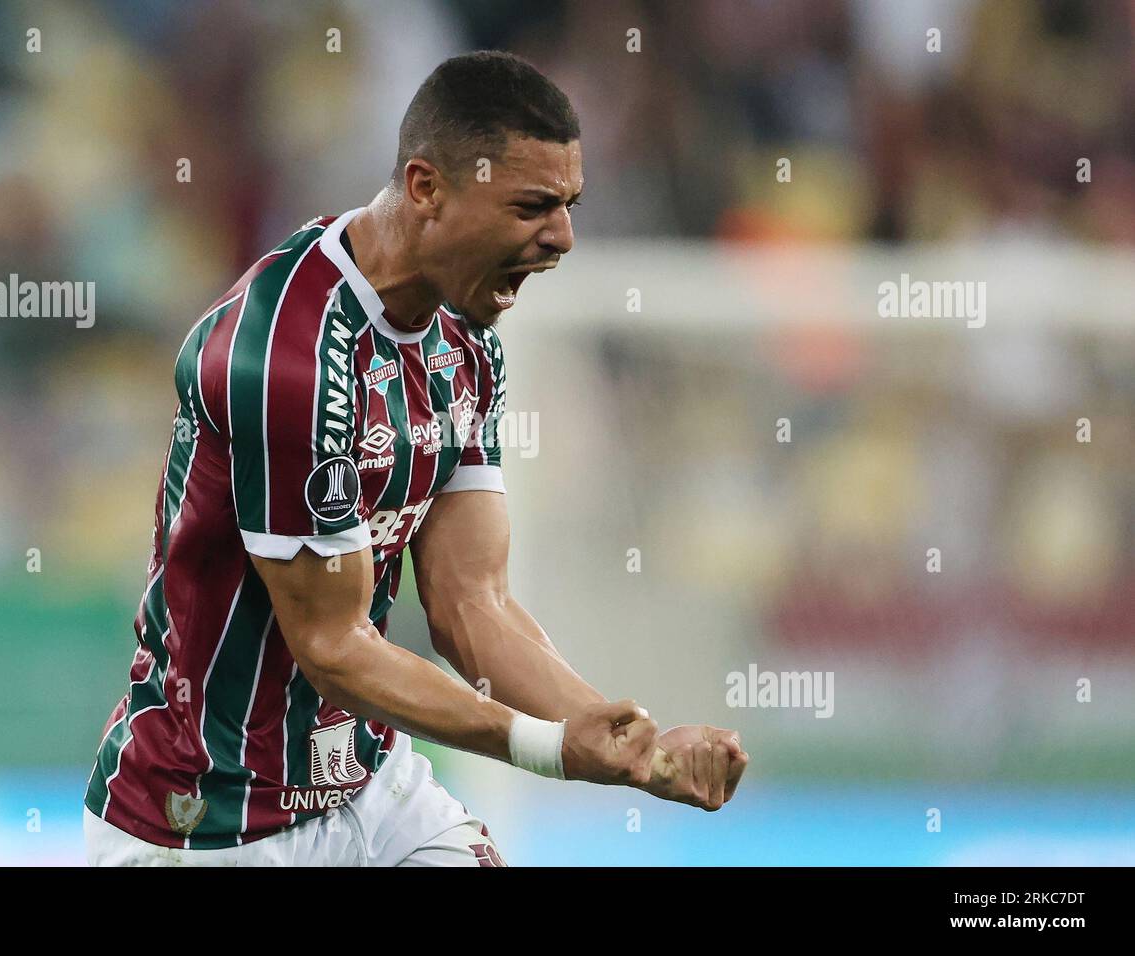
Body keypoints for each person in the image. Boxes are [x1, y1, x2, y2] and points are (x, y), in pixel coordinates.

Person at [84, 50, 747, 867]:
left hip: (369, 787)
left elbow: (473, 604)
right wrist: (546, 747)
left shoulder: (468, 338)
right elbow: (333, 650)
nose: (564, 237)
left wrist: (627, 746)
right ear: (428, 187)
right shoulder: (283, 356)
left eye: (570, 205)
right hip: (203, 823)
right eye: (533, 206)